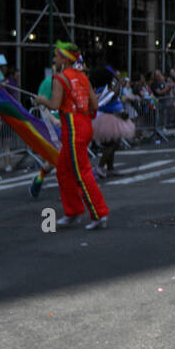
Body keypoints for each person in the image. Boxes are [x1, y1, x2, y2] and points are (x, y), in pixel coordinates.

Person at [36, 41, 109, 230]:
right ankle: (73, 211)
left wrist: (42, 100)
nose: (54, 59)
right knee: (63, 169)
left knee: (81, 172)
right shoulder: (84, 78)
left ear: (64, 59)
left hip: (72, 128)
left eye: (56, 56)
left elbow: (54, 105)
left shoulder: (60, 79)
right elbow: (94, 105)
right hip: (84, 125)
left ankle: (99, 214)